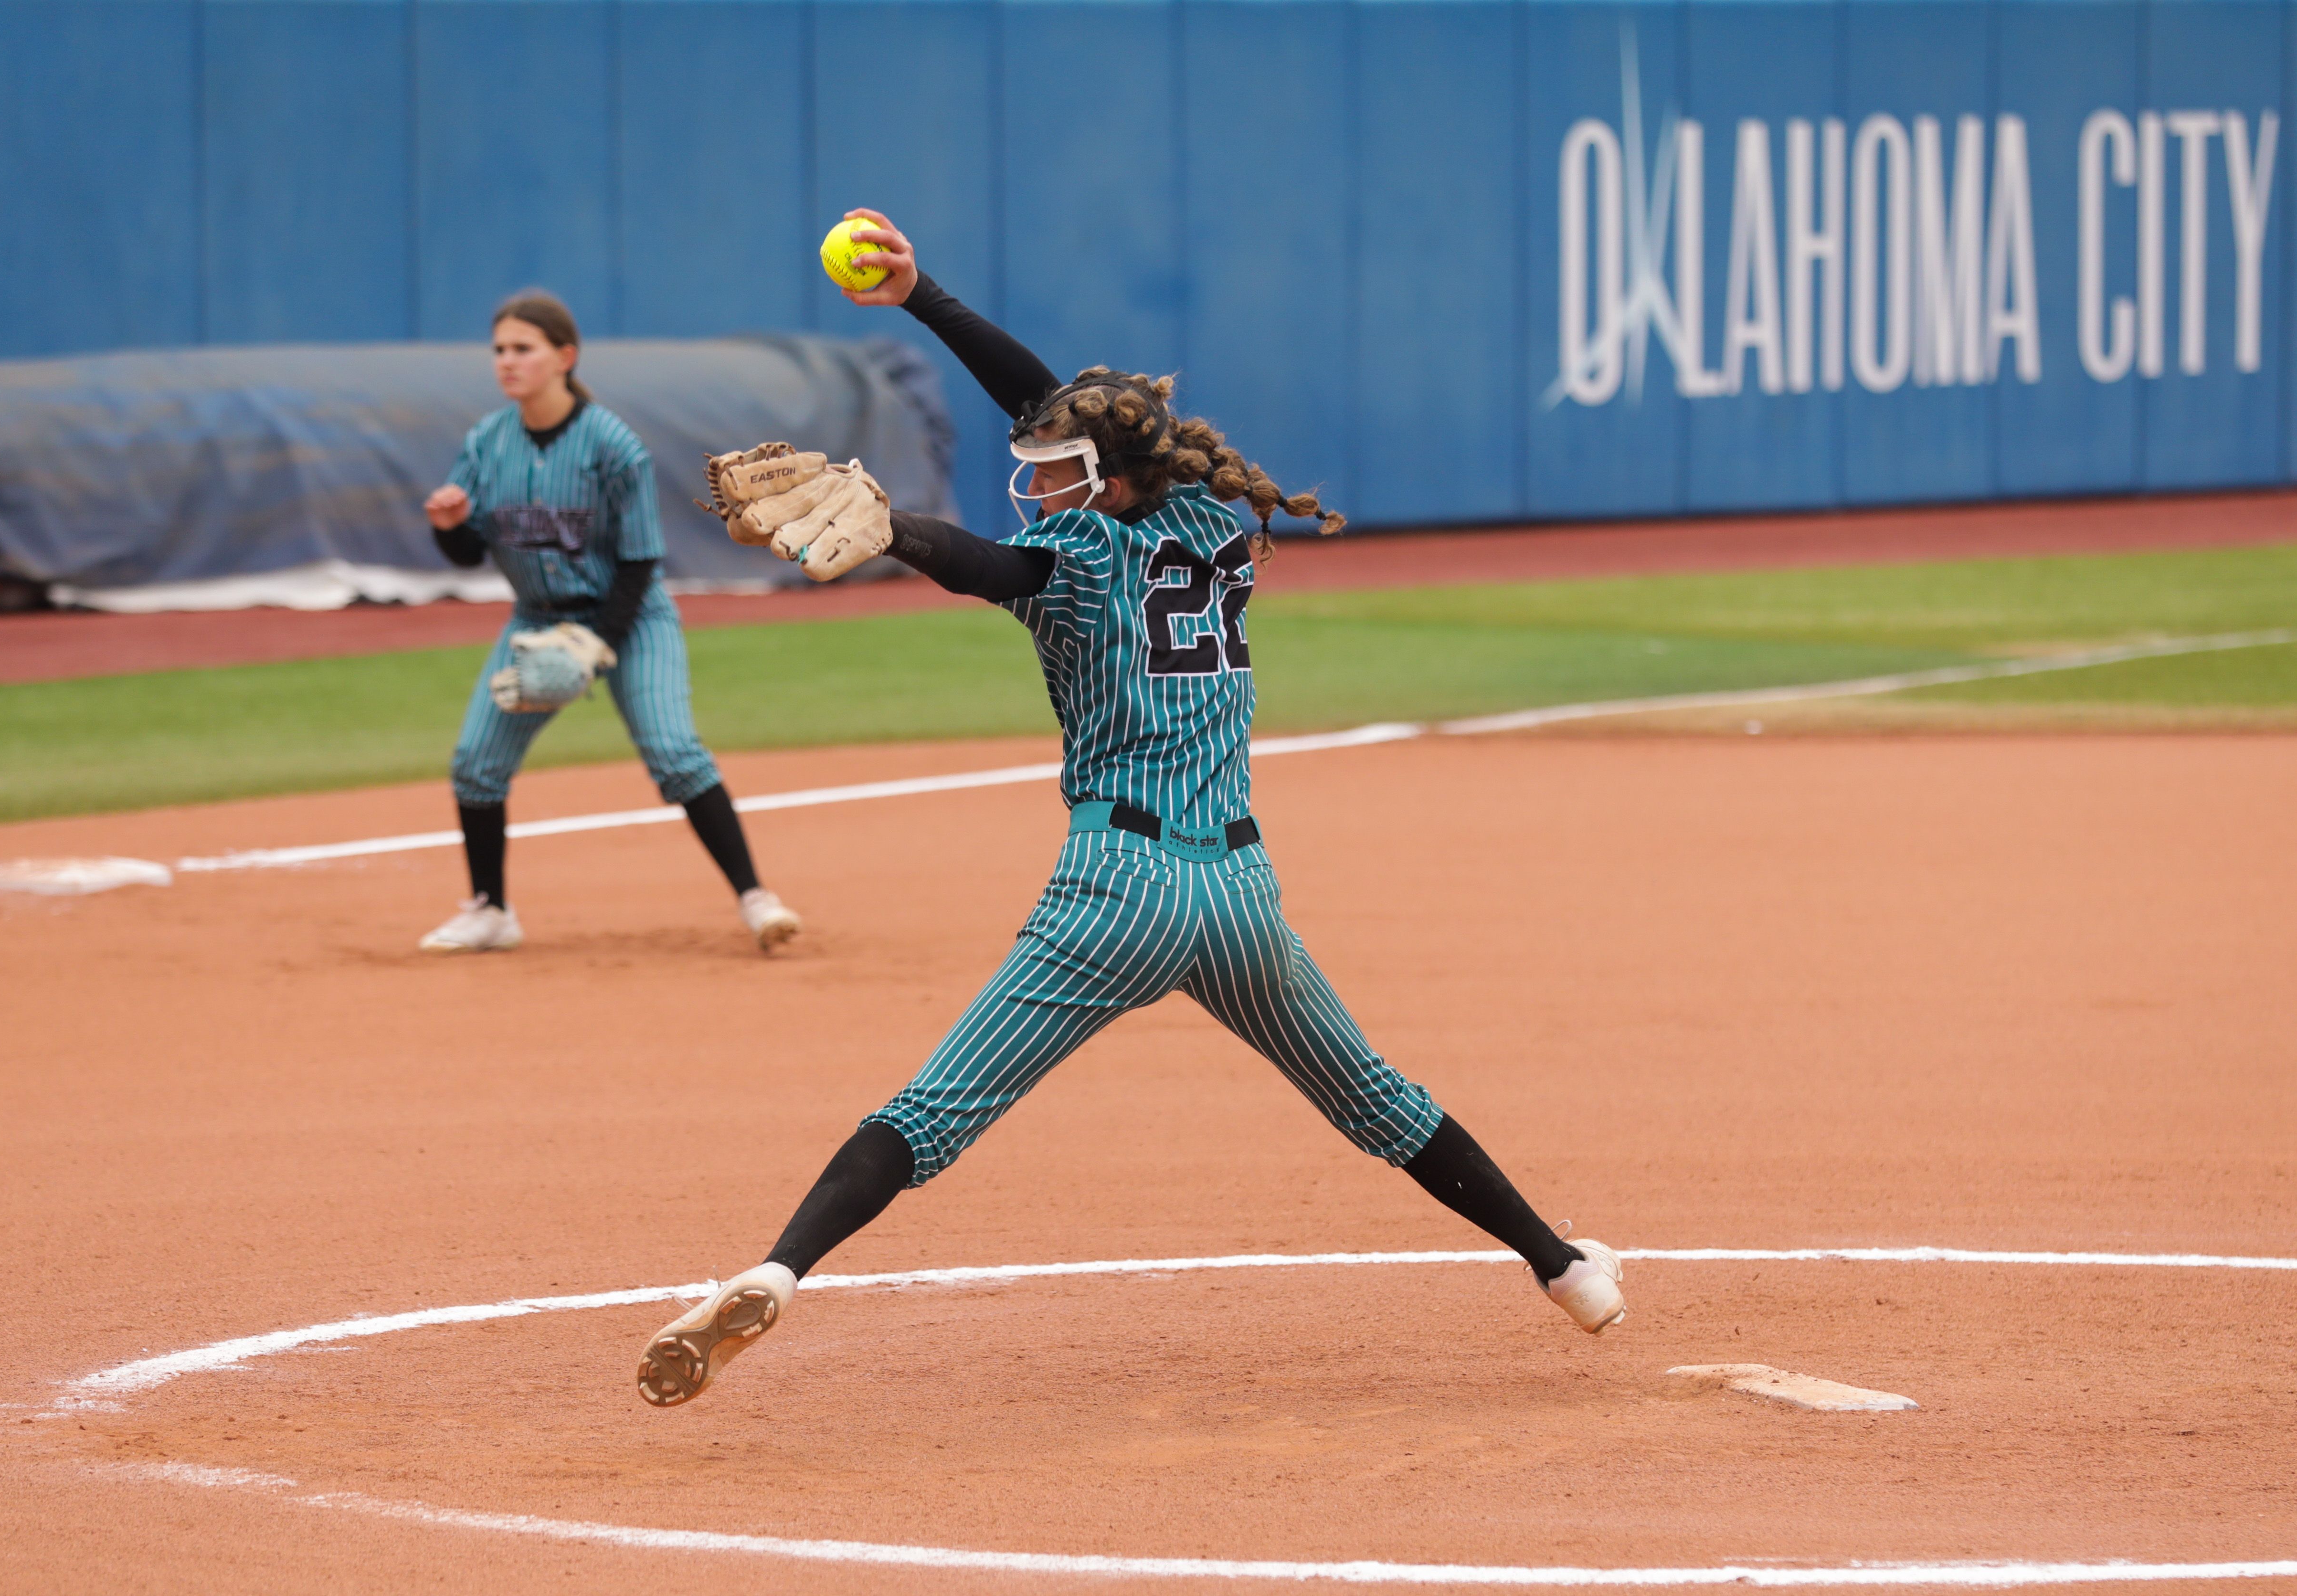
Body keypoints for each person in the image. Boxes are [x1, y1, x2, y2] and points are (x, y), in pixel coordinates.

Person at [635, 213, 1623, 1406]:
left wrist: (894, 530)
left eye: (1057, 471)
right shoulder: (1212, 526)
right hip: (1239, 896)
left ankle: (779, 1270)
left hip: (1117, 894)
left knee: (935, 1110)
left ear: (1109, 479)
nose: (1038, 480)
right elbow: (1057, 405)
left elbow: (985, 564)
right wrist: (920, 296)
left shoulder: (1084, 556)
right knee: (1376, 1100)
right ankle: (1563, 1269)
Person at [419, 290, 802, 954]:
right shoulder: (486, 443)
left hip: (632, 616)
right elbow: (470, 550)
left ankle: (755, 897)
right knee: (475, 764)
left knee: (674, 754)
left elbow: (639, 562)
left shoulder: (614, 445)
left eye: (522, 349)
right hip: (536, 620)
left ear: (563, 357)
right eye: (499, 350)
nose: (506, 362)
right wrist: (449, 528)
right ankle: (490, 911)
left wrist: (595, 644)